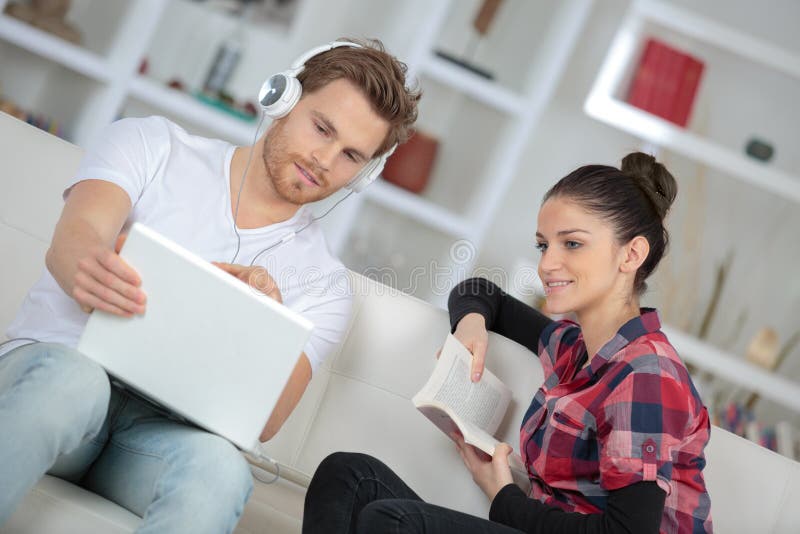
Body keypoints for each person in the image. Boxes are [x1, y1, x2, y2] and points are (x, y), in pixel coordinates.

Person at [0, 38, 420, 533]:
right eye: (322, 128)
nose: (326, 159)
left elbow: (263, 422)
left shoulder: (325, 286)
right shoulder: (152, 145)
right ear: (282, 97)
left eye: (351, 154)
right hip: (58, 375)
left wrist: (262, 327)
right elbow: (73, 247)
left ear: (365, 173)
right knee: (76, 382)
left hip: (156, 442)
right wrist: (146, 271)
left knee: (220, 471)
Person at [302, 152, 713, 533]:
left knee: (390, 523)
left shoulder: (646, 375)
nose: (547, 263)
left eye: (571, 243)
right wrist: (469, 327)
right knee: (346, 476)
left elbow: (627, 532)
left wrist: (504, 498)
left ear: (631, 255)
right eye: (543, 245)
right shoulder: (573, 349)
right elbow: (481, 292)